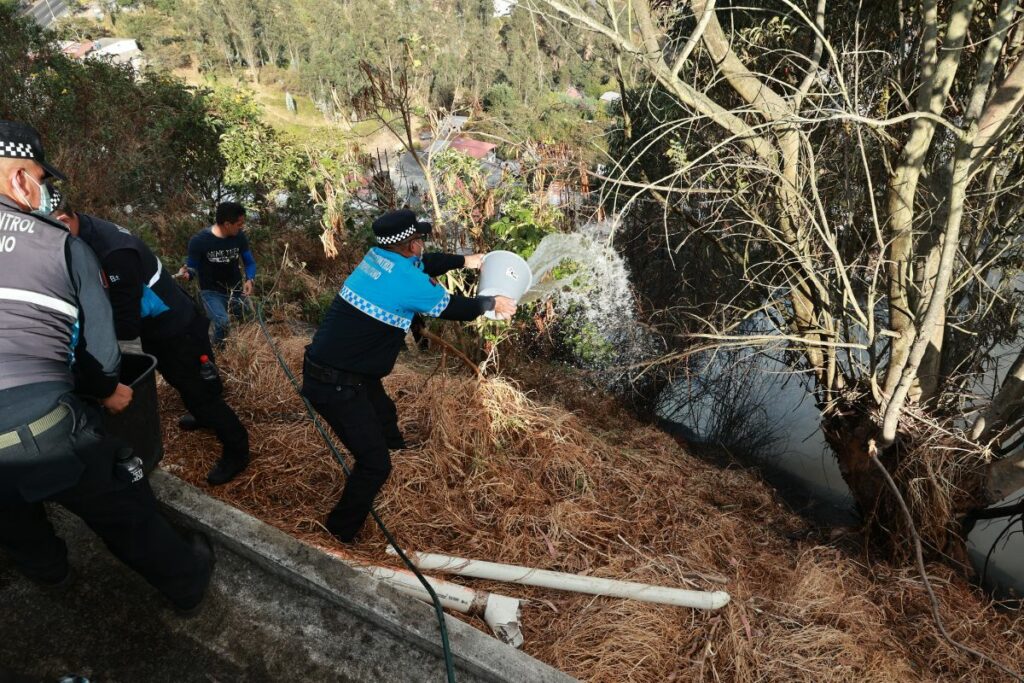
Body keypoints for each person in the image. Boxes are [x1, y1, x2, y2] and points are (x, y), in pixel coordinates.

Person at [0, 120, 213, 614]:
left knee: (10, 513)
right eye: (39, 179)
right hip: (41, 427)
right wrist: (104, 391)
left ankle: (50, 573)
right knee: (124, 505)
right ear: (19, 180)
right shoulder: (60, 245)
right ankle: (187, 580)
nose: (43, 192)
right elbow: (102, 356)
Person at [301, 209, 517, 543]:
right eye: (419, 239)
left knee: (384, 412)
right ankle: (340, 533)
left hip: (346, 369)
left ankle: (398, 449)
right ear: (410, 244)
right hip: (335, 383)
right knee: (374, 465)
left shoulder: (379, 257)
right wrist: (492, 304)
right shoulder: (406, 282)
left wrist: (468, 261)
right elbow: (452, 308)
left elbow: (426, 263)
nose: (422, 244)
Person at [53, 200, 251, 486]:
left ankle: (237, 448)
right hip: (158, 327)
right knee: (179, 379)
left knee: (202, 393)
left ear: (62, 220)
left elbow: (125, 324)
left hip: (177, 329)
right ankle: (201, 414)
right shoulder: (85, 230)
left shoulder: (114, 252)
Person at [177, 202, 256, 345]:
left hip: (236, 290)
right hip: (211, 292)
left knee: (250, 320)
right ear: (227, 224)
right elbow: (192, 269)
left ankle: (244, 351)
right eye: (239, 224)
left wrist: (250, 280)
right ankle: (219, 353)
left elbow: (249, 262)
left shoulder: (239, 237)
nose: (241, 227)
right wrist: (187, 273)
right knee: (222, 322)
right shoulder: (199, 241)